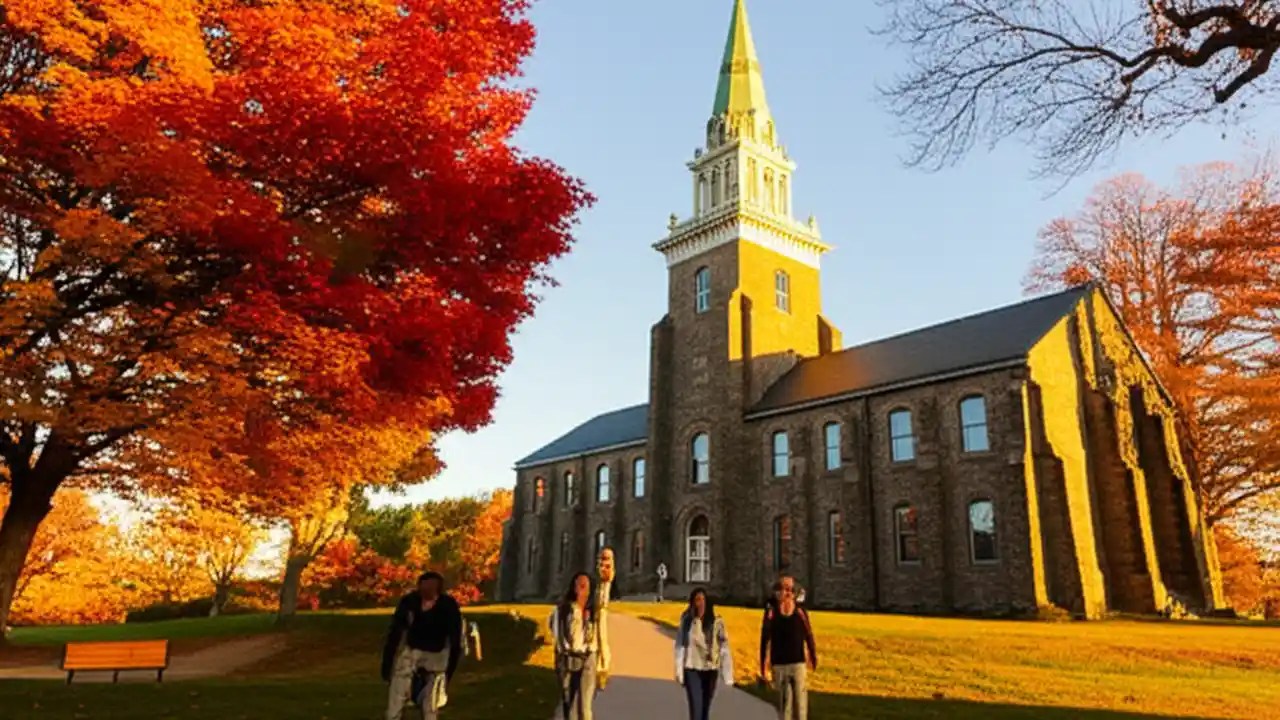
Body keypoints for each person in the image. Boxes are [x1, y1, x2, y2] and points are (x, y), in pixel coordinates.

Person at [382, 571, 464, 720]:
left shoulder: (447, 605)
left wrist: (448, 673)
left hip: (437, 652)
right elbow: (395, 632)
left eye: (431, 587)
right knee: (399, 683)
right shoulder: (409, 602)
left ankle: (429, 716)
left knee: (432, 695)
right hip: (413, 649)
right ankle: (393, 715)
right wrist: (387, 665)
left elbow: (455, 638)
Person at [759, 574, 817, 720]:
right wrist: (763, 664)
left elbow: (808, 634)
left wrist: (812, 655)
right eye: (785, 589)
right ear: (778, 592)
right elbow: (765, 639)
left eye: (791, 589)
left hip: (798, 664)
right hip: (779, 665)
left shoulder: (800, 612)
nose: (789, 592)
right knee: (785, 707)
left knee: (801, 706)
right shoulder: (771, 613)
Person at [673, 587, 733, 720]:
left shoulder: (717, 622)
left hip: (710, 669)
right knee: (696, 711)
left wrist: (727, 673)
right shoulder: (687, 621)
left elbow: (724, 647)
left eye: (702, 600)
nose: (700, 603)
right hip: (692, 668)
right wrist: (679, 670)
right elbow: (680, 644)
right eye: (697, 600)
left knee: (705, 710)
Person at [549, 572, 600, 720]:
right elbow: (555, 631)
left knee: (585, 708)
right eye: (578, 584)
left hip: (588, 658)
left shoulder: (594, 612)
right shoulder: (562, 610)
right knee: (569, 705)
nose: (581, 588)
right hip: (567, 659)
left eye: (584, 585)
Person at [594, 548, 615, 690]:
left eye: (605, 557)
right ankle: (598, 664)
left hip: (602, 605)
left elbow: (605, 576)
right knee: (596, 635)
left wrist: (602, 567)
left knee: (602, 636)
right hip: (597, 604)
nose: (603, 560)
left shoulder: (608, 569)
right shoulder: (602, 567)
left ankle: (604, 664)